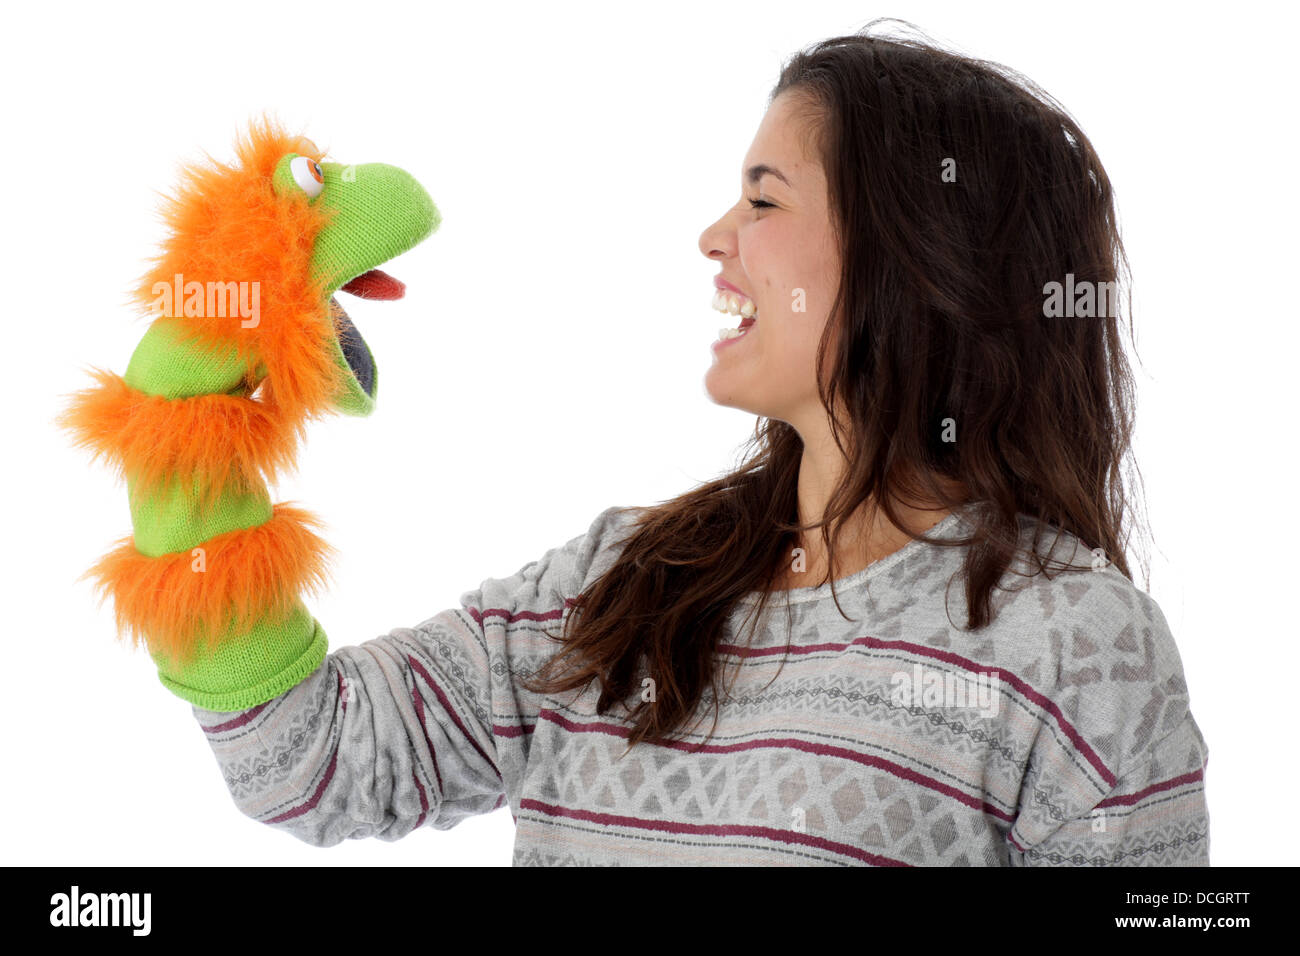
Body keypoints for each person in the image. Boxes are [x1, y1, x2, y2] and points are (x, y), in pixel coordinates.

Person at [89, 24, 1213, 866]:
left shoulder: (1075, 643)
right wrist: (188, 433)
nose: (714, 238)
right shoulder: (619, 582)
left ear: (913, 251)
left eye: (763, 202)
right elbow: (310, 759)